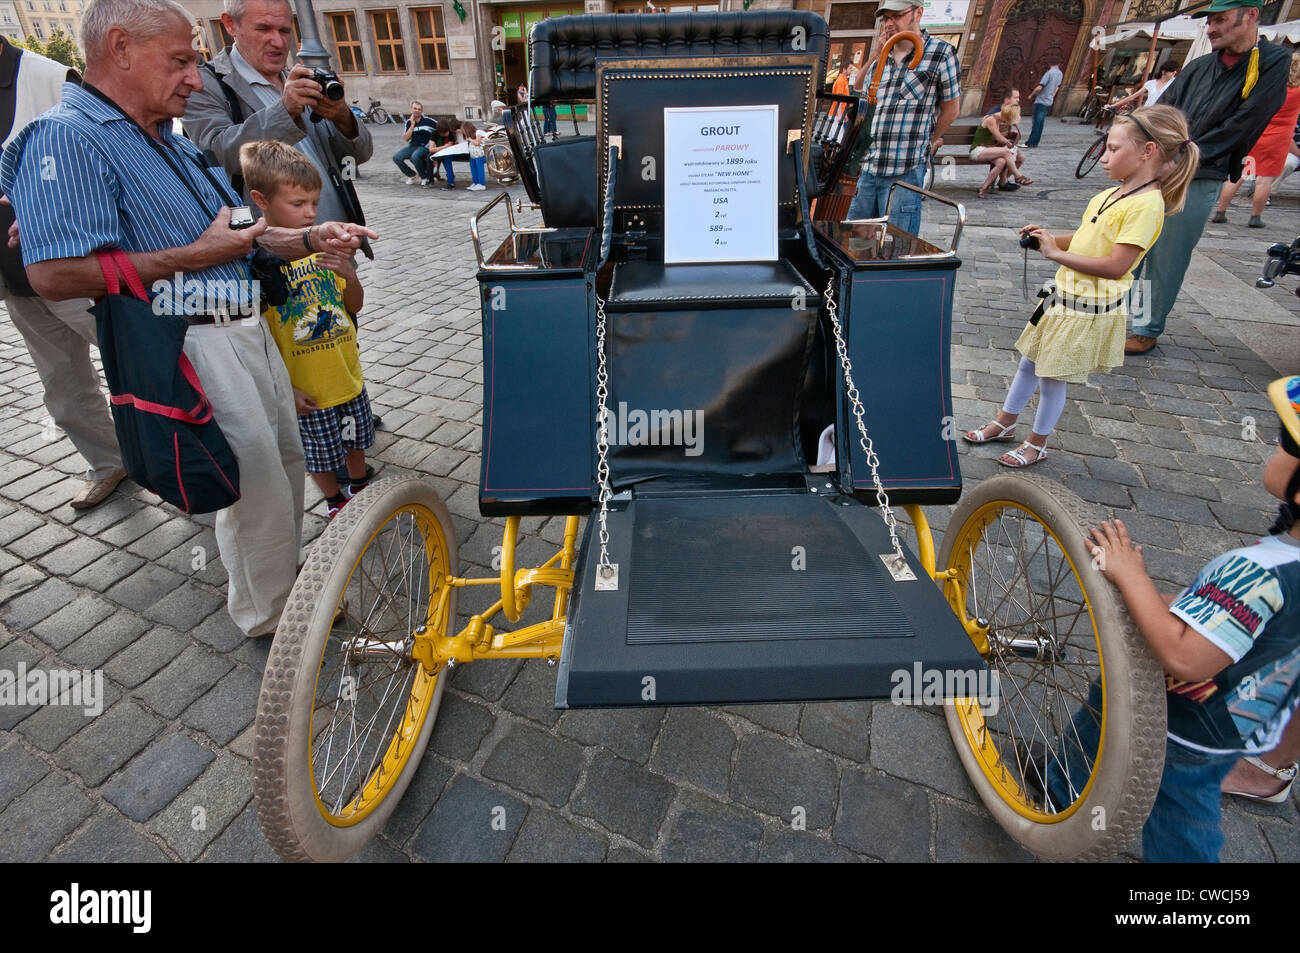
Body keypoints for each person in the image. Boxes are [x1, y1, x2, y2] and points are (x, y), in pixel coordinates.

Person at [0, 0, 376, 637]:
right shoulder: (68, 135)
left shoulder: (165, 139)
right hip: (193, 340)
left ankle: (276, 586)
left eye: (195, 63)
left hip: (247, 329)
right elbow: (53, 274)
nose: (195, 79)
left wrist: (312, 239)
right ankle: (269, 614)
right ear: (120, 48)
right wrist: (196, 255)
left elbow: (243, 234)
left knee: (281, 468)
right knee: (252, 484)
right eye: (179, 61)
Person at [1068, 374, 1300, 861]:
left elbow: (1185, 656)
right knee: (1175, 795)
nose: (1276, 446)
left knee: (1177, 810)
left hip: (1185, 720)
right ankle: (1060, 782)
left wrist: (1132, 576)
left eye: (1286, 442)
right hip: (1238, 723)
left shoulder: (1259, 572)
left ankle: (1061, 791)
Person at [962, 106, 1199, 468]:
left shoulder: (1147, 206)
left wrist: (1056, 254)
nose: (1104, 157)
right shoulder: (1111, 195)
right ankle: (1005, 422)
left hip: (1085, 307)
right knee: (1028, 364)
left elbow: (1116, 266)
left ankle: (1037, 443)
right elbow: (1087, 237)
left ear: (1147, 152)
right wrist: (1048, 238)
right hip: (1062, 298)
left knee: (1051, 377)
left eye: (1113, 149)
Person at [0, 37, 126, 509]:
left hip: (76, 267)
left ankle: (189, 459)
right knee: (63, 383)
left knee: (142, 362)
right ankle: (109, 463)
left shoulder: (49, 77)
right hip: (14, 278)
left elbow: (104, 154)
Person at [1125, 0, 1290, 356]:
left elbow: (1244, 123)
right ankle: (1116, 316)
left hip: (1200, 173)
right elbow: (1163, 111)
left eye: (1220, 20)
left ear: (1251, 15)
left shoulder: (1271, 62)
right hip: (1157, 168)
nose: (1211, 28)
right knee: (1134, 246)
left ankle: (1145, 328)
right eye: (1210, 22)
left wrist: (1183, 156)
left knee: (1166, 257)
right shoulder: (1200, 65)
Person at [242, 141, 372, 518]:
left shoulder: (324, 246)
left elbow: (354, 305)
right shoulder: (259, 263)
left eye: (314, 202)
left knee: (356, 438)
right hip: (305, 387)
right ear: (261, 200)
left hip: (345, 374)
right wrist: (286, 387)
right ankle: (334, 500)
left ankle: (359, 486)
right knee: (318, 452)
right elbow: (258, 336)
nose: (310, 213)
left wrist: (350, 276)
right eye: (298, 204)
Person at [182, 0, 373, 240]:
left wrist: (342, 116)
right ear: (230, 24)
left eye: (284, 30)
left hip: (336, 243)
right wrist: (284, 110)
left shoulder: (301, 80)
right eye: (263, 29)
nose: (279, 42)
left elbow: (357, 157)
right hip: (274, 251)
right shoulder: (205, 85)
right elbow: (218, 154)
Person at [843, 0, 960, 236]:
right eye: (885, 18)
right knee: (855, 238)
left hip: (905, 168)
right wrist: (876, 54)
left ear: (918, 13)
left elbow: (951, 109)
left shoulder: (939, 53)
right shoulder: (882, 58)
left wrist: (929, 142)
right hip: (871, 165)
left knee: (899, 242)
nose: (889, 23)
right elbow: (859, 90)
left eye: (896, 15)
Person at [1211, 51, 1300, 228]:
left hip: (1256, 133)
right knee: (1264, 179)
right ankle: (1255, 217)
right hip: (1279, 139)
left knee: (1241, 174)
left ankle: (1220, 212)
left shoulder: (1272, 84)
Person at [970, 100, 1027, 198]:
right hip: (978, 150)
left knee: (1001, 162)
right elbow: (998, 137)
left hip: (988, 150)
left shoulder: (998, 120)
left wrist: (1012, 134)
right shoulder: (991, 119)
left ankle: (983, 188)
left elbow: (994, 136)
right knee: (1006, 151)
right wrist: (1008, 142)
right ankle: (1018, 176)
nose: (1007, 122)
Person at [393, 99, 437, 185]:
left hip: (425, 146)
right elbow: (406, 138)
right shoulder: (408, 122)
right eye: (415, 108)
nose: (417, 110)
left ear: (422, 111)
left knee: (415, 156)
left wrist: (435, 142)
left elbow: (441, 127)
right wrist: (412, 125)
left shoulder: (428, 121)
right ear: (411, 109)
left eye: (419, 109)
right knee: (396, 157)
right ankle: (412, 175)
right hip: (413, 146)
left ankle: (424, 177)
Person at [1024, 57, 1064, 148]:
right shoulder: (1060, 73)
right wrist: (1052, 95)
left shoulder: (1049, 73)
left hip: (1041, 100)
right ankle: (1035, 142)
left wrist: (1031, 95)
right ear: (1059, 63)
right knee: (1040, 123)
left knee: (1036, 123)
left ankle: (1031, 142)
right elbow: (1057, 87)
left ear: (1049, 63)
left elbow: (1040, 87)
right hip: (1049, 100)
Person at [1109, 61, 1180, 111]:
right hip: (1147, 111)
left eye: (1175, 71)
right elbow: (1133, 96)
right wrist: (1113, 105)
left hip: (1161, 114)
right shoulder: (1151, 83)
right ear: (1163, 71)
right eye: (1171, 71)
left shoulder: (1175, 83)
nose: (1174, 73)